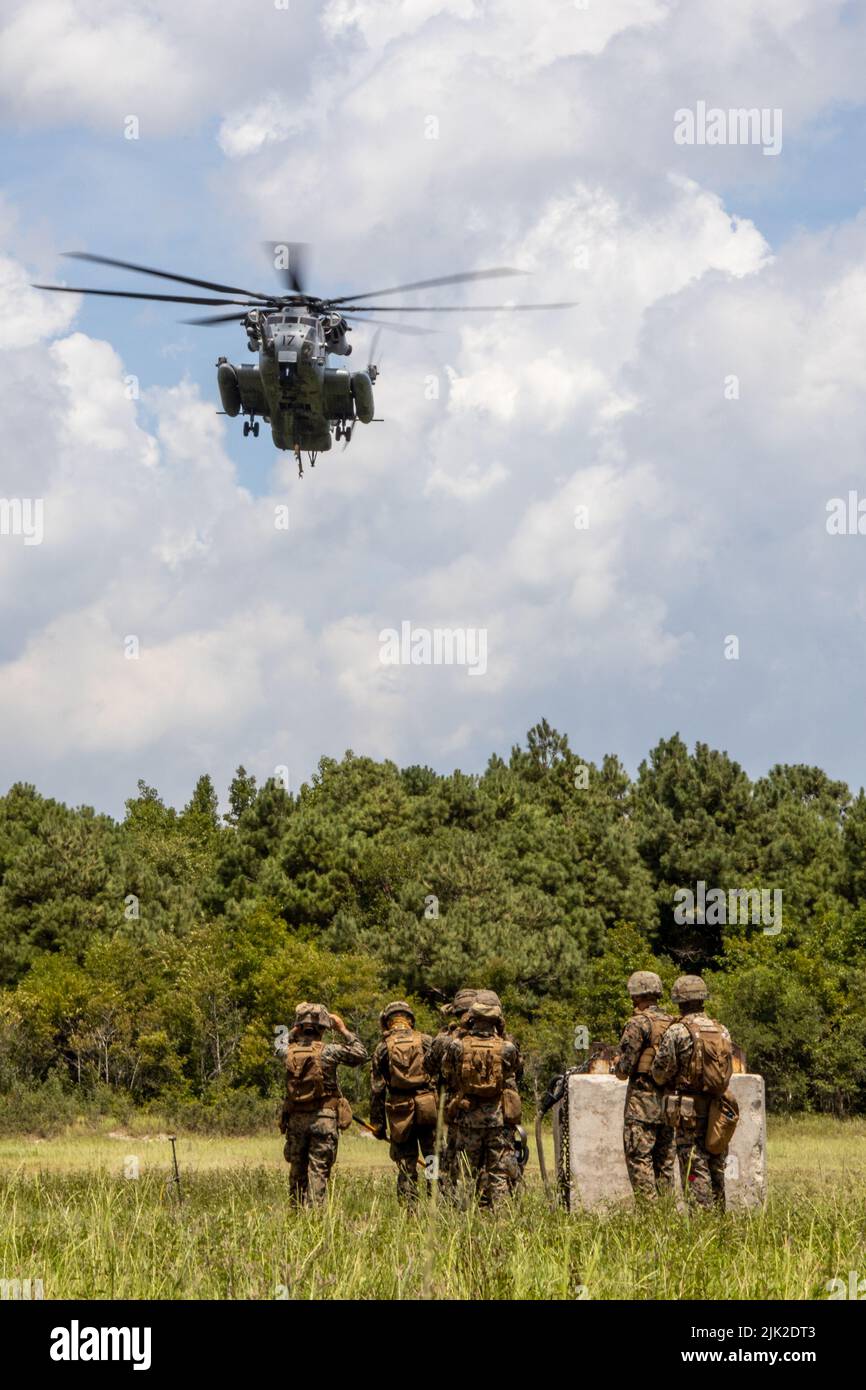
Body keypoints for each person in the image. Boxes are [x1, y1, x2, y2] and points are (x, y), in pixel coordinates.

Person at [651, 975, 733, 1210]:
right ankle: (719, 1216)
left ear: (680, 1001)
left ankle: (701, 1217)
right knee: (716, 1164)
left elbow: (660, 1073)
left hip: (689, 1113)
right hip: (717, 1109)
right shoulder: (721, 1030)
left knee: (693, 1167)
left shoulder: (677, 1031)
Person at [279, 1001, 367, 1205]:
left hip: (296, 1121)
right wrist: (343, 1029)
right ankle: (315, 1216)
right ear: (323, 1028)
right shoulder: (329, 1051)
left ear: (300, 1027)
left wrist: (294, 1028)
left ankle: (296, 1214)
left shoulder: (287, 1051)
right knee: (318, 1171)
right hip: (324, 1120)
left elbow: (276, 1044)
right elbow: (361, 1053)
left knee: (297, 1171)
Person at [441, 995, 519, 1209]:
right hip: (497, 1119)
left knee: (465, 1174)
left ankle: (464, 1219)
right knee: (499, 1173)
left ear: (472, 1017)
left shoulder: (457, 1046)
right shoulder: (507, 1048)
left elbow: (447, 1072)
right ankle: (502, 1218)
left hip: (467, 1120)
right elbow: (514, 1072)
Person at [613, 970, 676, 1201]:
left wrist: (616, 1063)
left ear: (635, 995)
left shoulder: (637, 1024)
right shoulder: (673, 1023)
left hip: (641, 1107)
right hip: (669, 1106)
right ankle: (667, 1213)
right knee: (665, 1165)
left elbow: (624, 1070)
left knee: (640, 1160)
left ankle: (650, 1214)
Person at [370, 1000, 438, 1204]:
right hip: (429, 1109)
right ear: (410, 1020)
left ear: (387, 1022)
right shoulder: (426, 1041)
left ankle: (409, 1211)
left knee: (406, 1165)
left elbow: (377, 1090)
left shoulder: (382, 1048)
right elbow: (442, 1074)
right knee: (433, 1158)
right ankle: (436, 1203)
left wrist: (378, 1125)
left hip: (400, 1113)